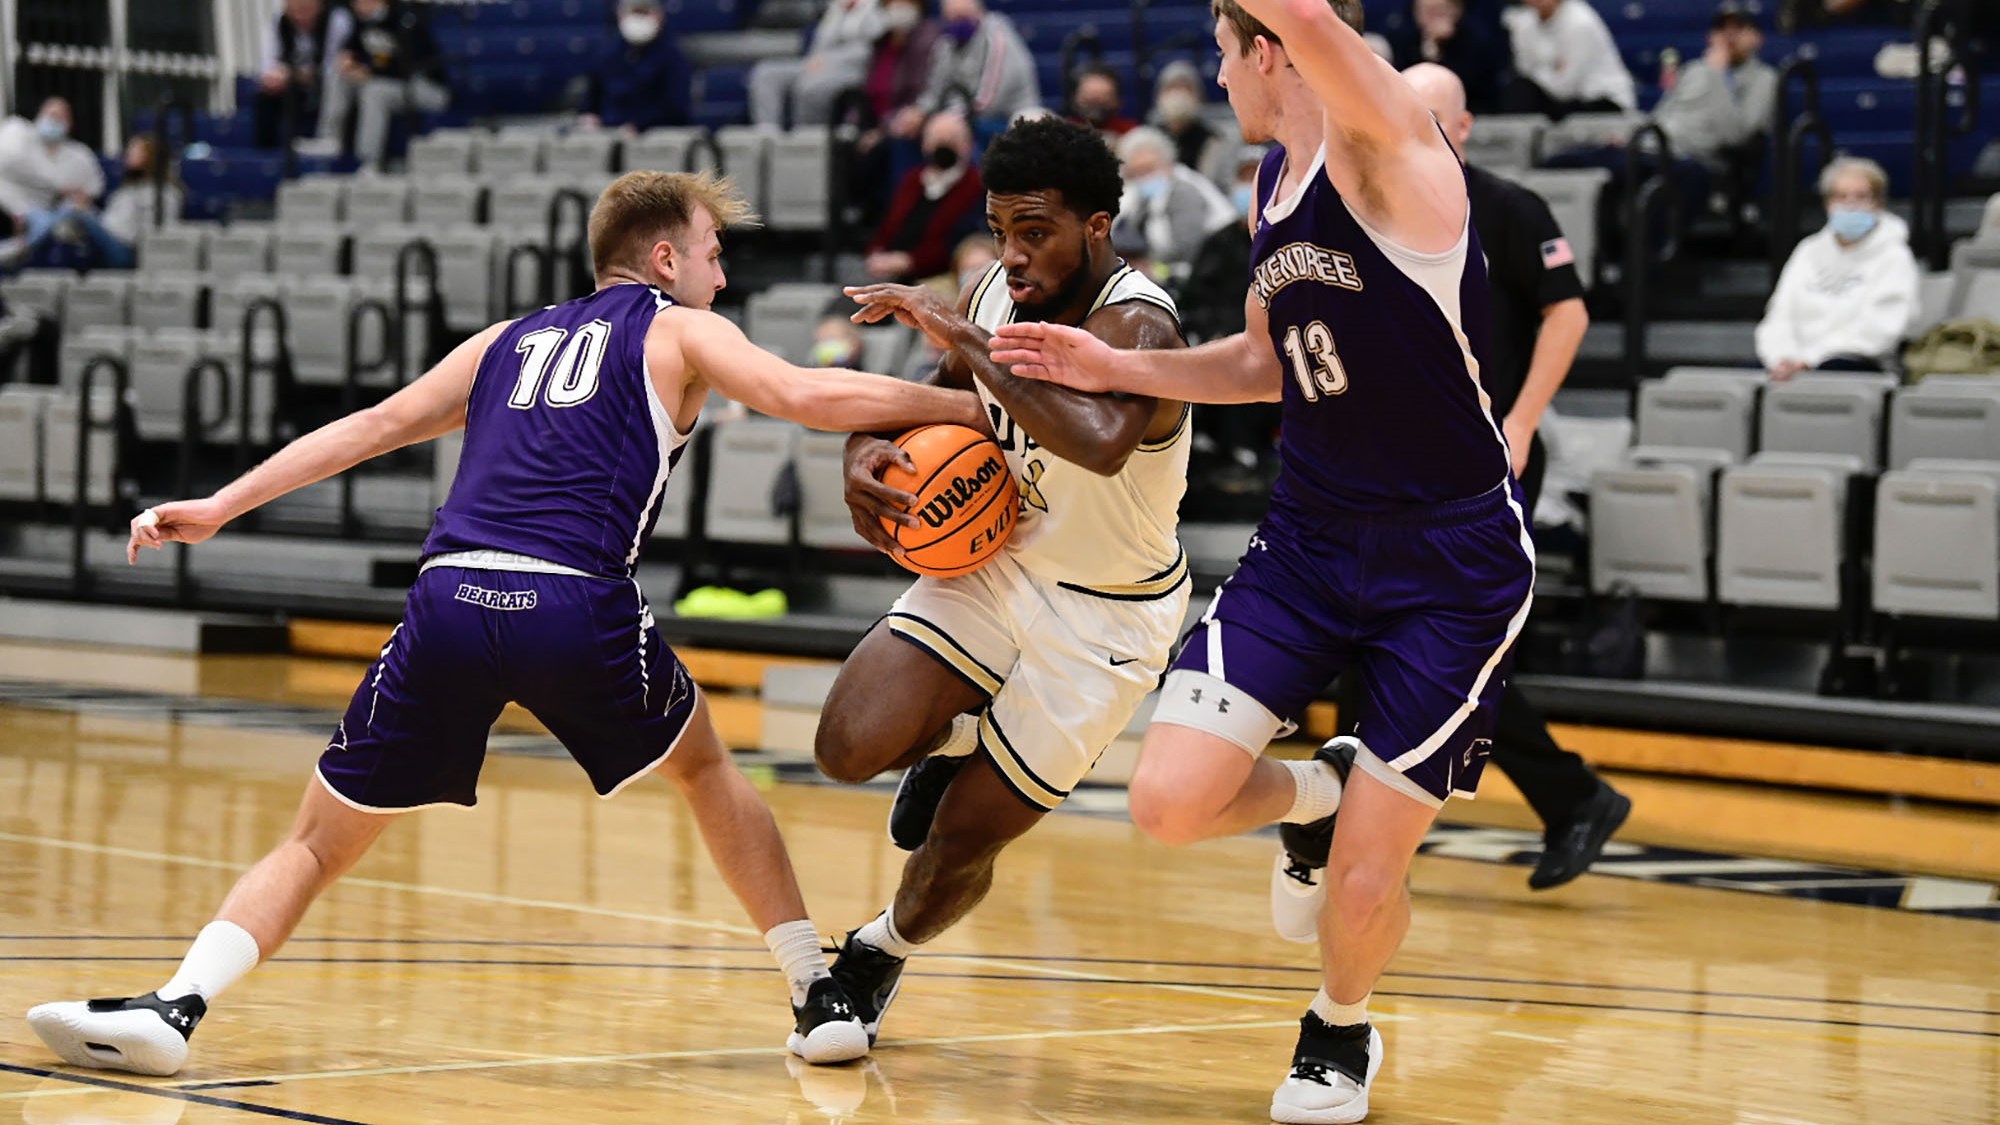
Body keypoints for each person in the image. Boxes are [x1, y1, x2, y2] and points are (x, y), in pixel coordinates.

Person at [26, 170, 991, 1079]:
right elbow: (809, 396)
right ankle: (817, 995)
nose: (722, 271)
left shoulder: (503, 340)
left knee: (319, 842)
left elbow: (367, 428)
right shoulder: (684, 332)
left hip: (449, 594)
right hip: (574, 596)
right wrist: (982, 406)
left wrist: (221, 505)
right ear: (664, 261)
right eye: (710, 251)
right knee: (705, 769)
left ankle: (174, 1006)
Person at [990, 2, 1535, 1120]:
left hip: (1449, 560)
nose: (1213, 74)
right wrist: (1109, 364)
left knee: (1368, 877)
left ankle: (1337, 1030)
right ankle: (1316, 789)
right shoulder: (1272, 179)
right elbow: (1260, 361)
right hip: (1309, 538)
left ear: (1267, 51)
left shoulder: (1383, 143)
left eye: (1221, 52)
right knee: (1167, 803)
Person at [814, 115, 1192, 1048]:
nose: (1012, 256)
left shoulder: (1140, 323)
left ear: (1096, 227)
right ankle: (948, 746)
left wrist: (969, 338)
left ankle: (880, 948)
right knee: (845, 746)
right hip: (1000, 559)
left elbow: (1099, 442)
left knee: (961, 841)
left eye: (1037, 233)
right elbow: (927, 396)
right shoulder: (991, 292)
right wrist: (867, 452)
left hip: (1108, 615)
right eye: (1000, 231)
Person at [1382, 64, 1628, 890]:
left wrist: (1520, 421)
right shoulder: (1371, 199)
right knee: (1397, 646)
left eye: (1430, 114)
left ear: (1465, 124)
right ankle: (1571, 799)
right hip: (1396, 461)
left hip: (1487, 458)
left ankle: (1569, 799)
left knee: (1443, 650)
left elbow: (1570, 311)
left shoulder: (1512, 209)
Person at [1542, 2, 1774, 262]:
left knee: (1677, 182)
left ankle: (1633, 269)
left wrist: (1717, 76)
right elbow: (1663, 115)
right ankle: (1593, 262)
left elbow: (1738, 133)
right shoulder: (1695, 70)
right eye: (1722, 29)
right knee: (1567, 161)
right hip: (1650, 146)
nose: (1729, 36)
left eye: (1739, 28)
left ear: (1757, 38)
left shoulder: (1763, 79)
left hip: (1691, 157)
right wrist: (1629, 137)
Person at [1756, 156, 1917, 379]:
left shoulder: (1895, 257)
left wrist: (1810, 360)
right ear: (1827, 204)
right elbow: (1780, 315)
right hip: (1794, 362)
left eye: (1861, 197)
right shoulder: (1808, 251)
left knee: (1830, 372)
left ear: (1878, 203)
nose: (1850, 205)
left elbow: (1881, 329)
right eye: (1841, 196)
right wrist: (1782, 357)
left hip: (1857, 361)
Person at [10, 135, 182, 271]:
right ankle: (27, 242)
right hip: (110, 238)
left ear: (149, 157)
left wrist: (91, 217)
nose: (127, 154)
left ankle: (18, 250)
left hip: (128, 252)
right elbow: (111, 222)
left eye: (134, 151)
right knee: (36, 214)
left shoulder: (166, 193)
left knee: (73, 209)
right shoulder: (129, 189)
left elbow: (153, 234)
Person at [324, 0, 448, 170]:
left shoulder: (405, 19)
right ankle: (329, 140)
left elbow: (410, 67)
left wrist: (369, 73)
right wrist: (347, 61)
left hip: (427, 88)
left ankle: (368, 161)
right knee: (338, 76)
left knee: (374, 91)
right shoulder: (362, 22)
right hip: (386, 82)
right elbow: (352, 51)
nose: (357, 5)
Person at [864, 112, 985, 282]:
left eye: (952, 138)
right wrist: (877, 251)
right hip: (887, 269)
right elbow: (887, 225)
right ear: (924, 144)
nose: (943, 144)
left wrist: (910, 262)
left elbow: (958, 243)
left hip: (933, 275)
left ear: (968, 145)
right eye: (937, 138)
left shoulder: (976, 185)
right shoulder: (912, 180)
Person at [891, 0, 1038, 139]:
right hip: (964, 115)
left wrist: (955, 118)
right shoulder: (946, 43)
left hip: (1004, 115)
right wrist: (919, 112)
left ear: (979, 12)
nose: (958, 23)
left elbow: (991, 98)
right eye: (952, 19)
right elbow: (935, 88)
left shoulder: (998, 38)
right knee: (908, 131)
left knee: (956, 132)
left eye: (963, 17)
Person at [1112, 126, 1240, 273]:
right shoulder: (1142, 196)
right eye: (1137, 172)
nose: (1144, 177)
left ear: (1167, 164)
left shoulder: (1184, 191)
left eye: (1149, 169)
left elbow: (1188, 249)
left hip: (1215, 269)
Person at [0, 99, 107, 269]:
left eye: (60, 117)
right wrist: (57, 188)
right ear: (38, 118)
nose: (53, 121)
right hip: (25, 211)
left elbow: (92, 191)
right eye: (50, 115)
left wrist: (75, 197)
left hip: (61, 214)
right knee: (37, 219)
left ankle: (16, 250)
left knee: (55, 220)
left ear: (70, 123)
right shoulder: (23, 144)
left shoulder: (81, 155)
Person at [751, 0, 885, 127]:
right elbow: (820, 43)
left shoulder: (877, 8)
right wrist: (816, 60)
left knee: (809, 86)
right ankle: (767, 135)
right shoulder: (836, 8)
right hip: (818, 63)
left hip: (854, 69)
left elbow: (869, 50)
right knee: (766, 74)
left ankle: (806, 141)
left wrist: (826, 61)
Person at [1501, 0, 1636, 118]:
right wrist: (1554, 70)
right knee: (1520, 91)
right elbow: (1525, 70)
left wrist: (1544, 72)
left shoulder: (1580, 21)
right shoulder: (1524, 24)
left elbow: (1565, 87)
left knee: (1527, 97)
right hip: (1563, 102)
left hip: (1604, 101)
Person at [580, 0, 692, 134]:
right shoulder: (607, 54)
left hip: (654, 135)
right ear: (619, 15)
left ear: (659, 16)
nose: (638, 19)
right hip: (610, 132)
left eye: (644, 13)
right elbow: (592, 99)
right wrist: (590, 117)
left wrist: (639, 125)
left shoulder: (673, 57)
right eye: (633, 12)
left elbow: (676, 107)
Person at [253, 0, 353, 148]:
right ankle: (266, 156)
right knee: (265, 97)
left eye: (305, 9)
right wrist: (274, 76)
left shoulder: (337, 21)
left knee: (334, 87)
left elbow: (333, 64)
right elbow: (268, 61)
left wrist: (303, 75)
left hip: (328, 86)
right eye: (294, 9)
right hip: (294, 84)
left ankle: (326, 141)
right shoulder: (280, 22)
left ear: (319, 6)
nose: (299, 15)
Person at [1386, 0, 1505, 112]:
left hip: (1473, 112)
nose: (1431, 18)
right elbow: (1402, 82)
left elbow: (1471, 87)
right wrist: (1429, 48)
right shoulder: (1404, 40)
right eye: (1425, 11)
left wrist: (1440, 50)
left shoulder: (1476, 41)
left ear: (1456, 10)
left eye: (1438, 11)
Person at [1153, 60, 1229, 185]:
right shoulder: (1150, 138)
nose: (1178, 95)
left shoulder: (1214, 140)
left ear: (1198, 95)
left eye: (1185, 88)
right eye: (1173, 87)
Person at [1069, 65, 1139, 136]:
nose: (1095, 107)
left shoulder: (1132, 134)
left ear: (1118, 101)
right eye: (1088, 99)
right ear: (1074, 99)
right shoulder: (1062, 132)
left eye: (1103, 100)